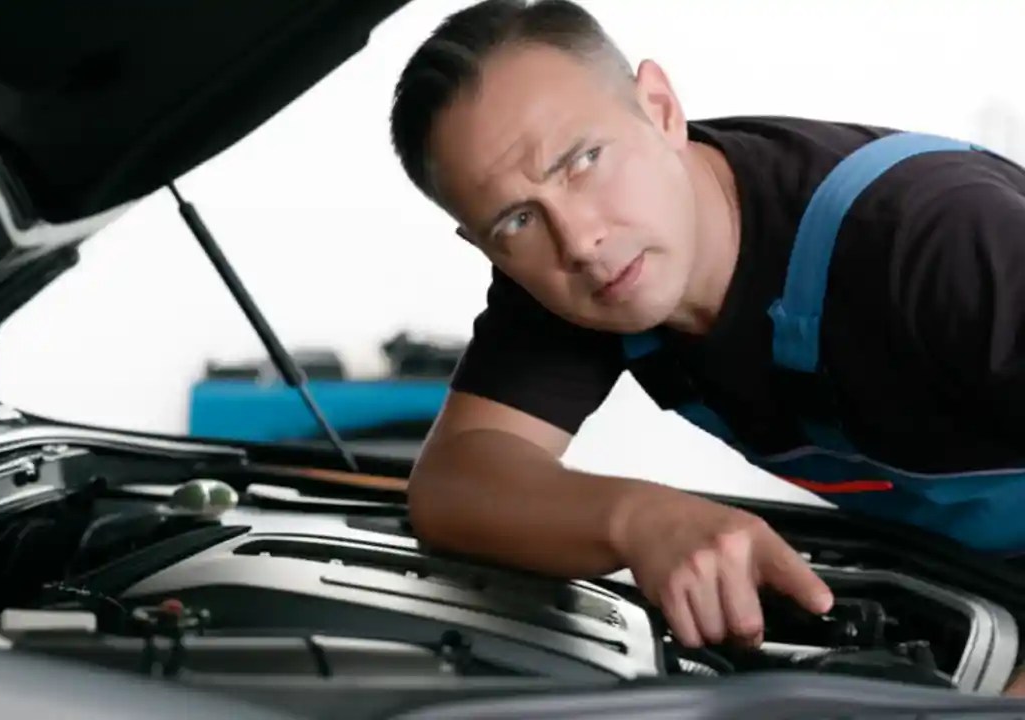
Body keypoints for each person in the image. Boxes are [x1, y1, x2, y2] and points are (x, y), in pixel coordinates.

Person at [387, 0, 1025, 692]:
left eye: (584, 161)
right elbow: (456, 481)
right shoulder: (572, 269)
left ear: (660, 109)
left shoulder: (944, 239)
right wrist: (641, 518)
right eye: (515, 221)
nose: (579, 240)